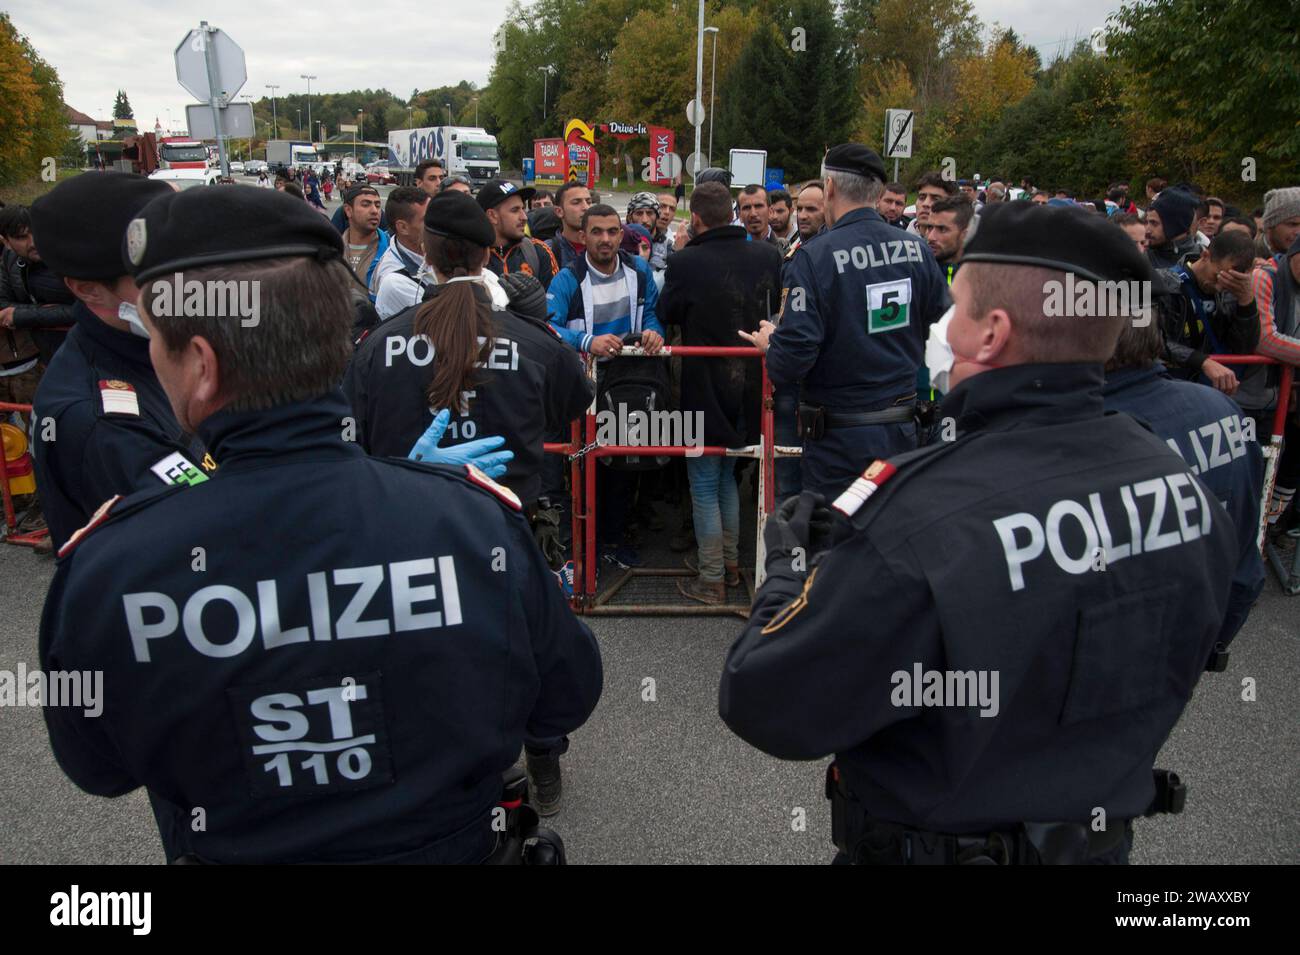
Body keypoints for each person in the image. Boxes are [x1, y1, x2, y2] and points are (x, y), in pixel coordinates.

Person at [40, 185, 602, 863]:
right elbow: (563, 698)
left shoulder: (112, 564)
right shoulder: (473, 525)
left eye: (155, 340)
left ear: (201, 366)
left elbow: (97, 764)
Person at [721, 201, 1238, 865]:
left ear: (991, 334)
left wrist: (789, 572)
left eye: (955, 308)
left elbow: (765, 697)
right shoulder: (1180, 484)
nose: (941, 327)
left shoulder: (917, 518)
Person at [345, 191, 594, 814]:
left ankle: (445, 770)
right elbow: (575, 400)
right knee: (531, 650)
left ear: (425, 256)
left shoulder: (379, 345)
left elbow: (355, 430)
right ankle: (543, 757)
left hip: (410, 531)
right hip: (514, 525)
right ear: (490, 254)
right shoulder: (534, 342)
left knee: (426, 655)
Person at [740, 145, 950, 497]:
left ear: (831, 189)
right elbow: (945, 328)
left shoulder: (814, 257)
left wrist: (773, 344)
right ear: (878, 193)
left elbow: (791, 362)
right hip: (901, 431)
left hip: (839, 441)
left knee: (835, 543)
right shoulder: (916, 249)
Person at [25, 172, 213, 550]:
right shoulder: (102, 422)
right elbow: (203, 537)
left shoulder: (155, 348)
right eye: (159, 277)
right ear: (87, 289)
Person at [1103, 309, 1264, 652]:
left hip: (1127, 656)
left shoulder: (1094, 436)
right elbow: (1245, 551)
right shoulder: (1222, 408)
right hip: (1200, 632)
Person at [660, 182, 781, 603]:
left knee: (704, 482)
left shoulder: (686, 262)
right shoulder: (768, 254)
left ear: (695, 218)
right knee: (727, 475)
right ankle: (728, 565)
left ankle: (711, 578)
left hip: (702, 387)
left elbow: (666, 312)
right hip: (751, 386)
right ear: (731, 212)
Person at [547, 203, 665, 567]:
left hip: (628, 383)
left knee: (621, 467)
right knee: (585, 468)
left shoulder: (639, 268)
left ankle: (613, 540)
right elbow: (547, 328)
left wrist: (653, 334)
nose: (606, 239)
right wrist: (587, 343)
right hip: (584, 385)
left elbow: (653, 316)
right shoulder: (566, 278)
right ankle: (587, 547)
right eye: (597, 232)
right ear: (582, 237)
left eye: (613, 231)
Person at [1161, 229, 1261, 395]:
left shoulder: (1231, 292)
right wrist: (1202, 362)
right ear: (1205, 255)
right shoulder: (1163, 282)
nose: (1220, 286)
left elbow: (1243, 347)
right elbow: (1149, 340)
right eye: (1218, 276)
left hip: (1204, 390)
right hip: (1166, 385)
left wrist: (1247, 302)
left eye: (1229, 281)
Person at [1247, 234, 1300, 534]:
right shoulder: (1265, 278)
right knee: (1250, 473)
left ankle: (1266, 530)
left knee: (1288, 473)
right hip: (1251, 396)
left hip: (1288, 397)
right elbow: (1264, 339)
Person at [0, 205, 77, 365]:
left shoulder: (72, 258)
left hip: (86, 349)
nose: (33, 242)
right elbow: (3, 305)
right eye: (22, 237)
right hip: (42, 355)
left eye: (37, 232)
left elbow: (93, 309)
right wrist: (47, 312)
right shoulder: (9, 259)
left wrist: (23, 315)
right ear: (6, 242)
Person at [479, 179, 560, 288]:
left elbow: (553, 301)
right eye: (515, 210)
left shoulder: (539, 251)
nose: (524, 217)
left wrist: (536, 302)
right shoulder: (470, 257)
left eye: (523, 208)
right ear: (492, 216)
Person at [370, 187, 430, 320]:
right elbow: (444, 321)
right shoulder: (394, 280)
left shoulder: (423, 251)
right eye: (427, 220)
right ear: (403, 227)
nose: (436, 223)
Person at [340, 185, 389, 299]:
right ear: (348, 210)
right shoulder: (332, 250)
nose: (374, 211)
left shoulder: (390, 251)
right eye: (366, 205)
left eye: (377, 205)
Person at [920, 195, 973, 284]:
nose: (931, 237)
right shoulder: (916, 272)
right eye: (929, 227)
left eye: (942, 229)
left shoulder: (979, 279)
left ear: (965, 235)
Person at [1145, 187, 1200, 269]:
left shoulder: (1202, 259)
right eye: (1147, 222)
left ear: (1174, 226)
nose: (1147, 230)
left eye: (1154, 223)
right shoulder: (1140, 257)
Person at [906, 171, 957, 237]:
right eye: (922, 198)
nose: (925, 204)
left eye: (935, 199)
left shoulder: (961, 244)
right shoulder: (897, 239)